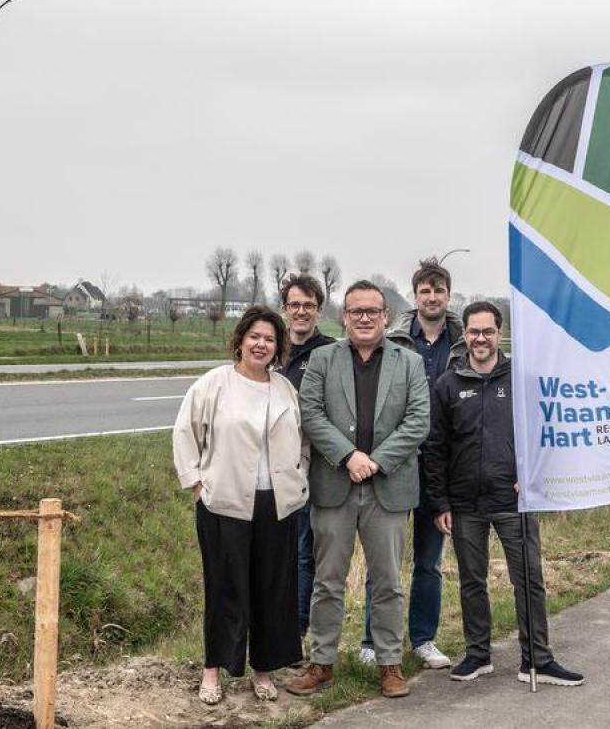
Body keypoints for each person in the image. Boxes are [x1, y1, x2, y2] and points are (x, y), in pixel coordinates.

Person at [422, 301, 585, 686]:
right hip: (464, 503)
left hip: (514, 500)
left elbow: (548, 433)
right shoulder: (447, 384)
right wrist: (439, 501)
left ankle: (538, 659)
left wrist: (534, 475)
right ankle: (478, 655)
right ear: (464, 334)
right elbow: (435, 447)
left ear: (500, 333)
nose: (481, 338)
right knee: (472, 581)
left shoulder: (522, 381)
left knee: (528, 580)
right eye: (474, 331)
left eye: (488, 331)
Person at [286, 280, 431, 699]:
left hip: (388, 487)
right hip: (334, 485)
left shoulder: (409, 362)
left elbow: (418, 420)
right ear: (343, 317)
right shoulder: (322, 359)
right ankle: (321, 662)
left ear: (386, 316)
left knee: (387, 582)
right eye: (356, 311)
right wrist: (349, 456)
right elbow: (310, 412)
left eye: (372, 311)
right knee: (327, 581)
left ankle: (389, 664)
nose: (364, 318)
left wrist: (377, 460)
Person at [171, 306, 307, 704]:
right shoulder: (214, 384)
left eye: (270, 339)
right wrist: (197, 485)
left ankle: (263, 670)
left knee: (272, 589)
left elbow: (303, 440)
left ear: (278, 347)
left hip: (277, 504)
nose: (261, 345)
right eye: (255, 337)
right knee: (224, 588)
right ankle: (213, 670)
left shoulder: (284, 389)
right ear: (241, 340)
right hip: (224, 504)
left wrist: (299, 477)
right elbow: (185, 433)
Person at [350, 258, 464, 669]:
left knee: (429, 562)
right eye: (424, 291)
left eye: (438, 290)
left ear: (448, 295)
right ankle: (372, 641)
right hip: (397, 461)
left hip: (441, 466)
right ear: (415, 297)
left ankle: (423, 639)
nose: (432, 297)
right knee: (383, 563)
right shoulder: (394, 340)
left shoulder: (462, 343)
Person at [278, 273, 336, 642]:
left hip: (312, 468)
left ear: (319, 311)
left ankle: (297, 631)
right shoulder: (271, 348)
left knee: (304, 553)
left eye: (309, 306)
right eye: (295, 305)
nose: (301, 311)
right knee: (274, 553)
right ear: (285, 309)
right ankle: (272, 627)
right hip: (269, 469)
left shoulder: (330, 352)